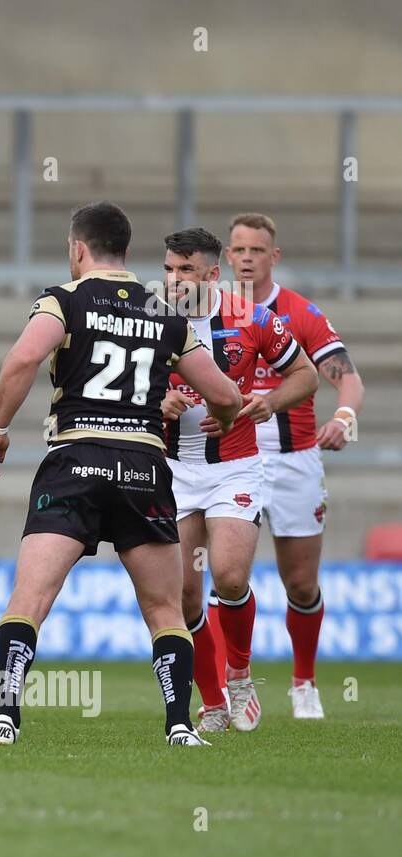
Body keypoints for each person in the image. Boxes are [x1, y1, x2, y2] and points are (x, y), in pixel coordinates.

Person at [0, 202, 241, 747]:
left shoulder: (63, 300)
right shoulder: (164, 312)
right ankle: (180, 725)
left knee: (29, 599)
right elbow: (224, 394)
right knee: (165, 609)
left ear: (78, 248)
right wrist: (227, 417)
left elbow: (23, 359)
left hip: (76, 462)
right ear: (125, 250)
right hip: (143, 468)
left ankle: (5, 717)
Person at [159, 228, 316, 733]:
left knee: (229, 576)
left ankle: (241, 674)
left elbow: (307, 376)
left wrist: (267, 403)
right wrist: (155, 401)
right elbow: (122, 386)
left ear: (211, 273)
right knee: (183, 594)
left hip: (235, 466)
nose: (173, 279)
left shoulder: (250, 317)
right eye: (168, 268)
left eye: (184, 270)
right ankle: (213, 702)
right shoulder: (150, 318)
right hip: (174, 468)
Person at [224, 213, 366, 719]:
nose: (246, 259)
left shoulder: (299, 313)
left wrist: (344, 418)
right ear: (226, 255)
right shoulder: (211, 313)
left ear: (273, 256)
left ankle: (303, 683)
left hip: (294, 461)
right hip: (230, 460)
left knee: (301, 583)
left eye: (256, 251)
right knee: (226, 576)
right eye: (238, 250)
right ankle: (231, 687)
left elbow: (349, 381)